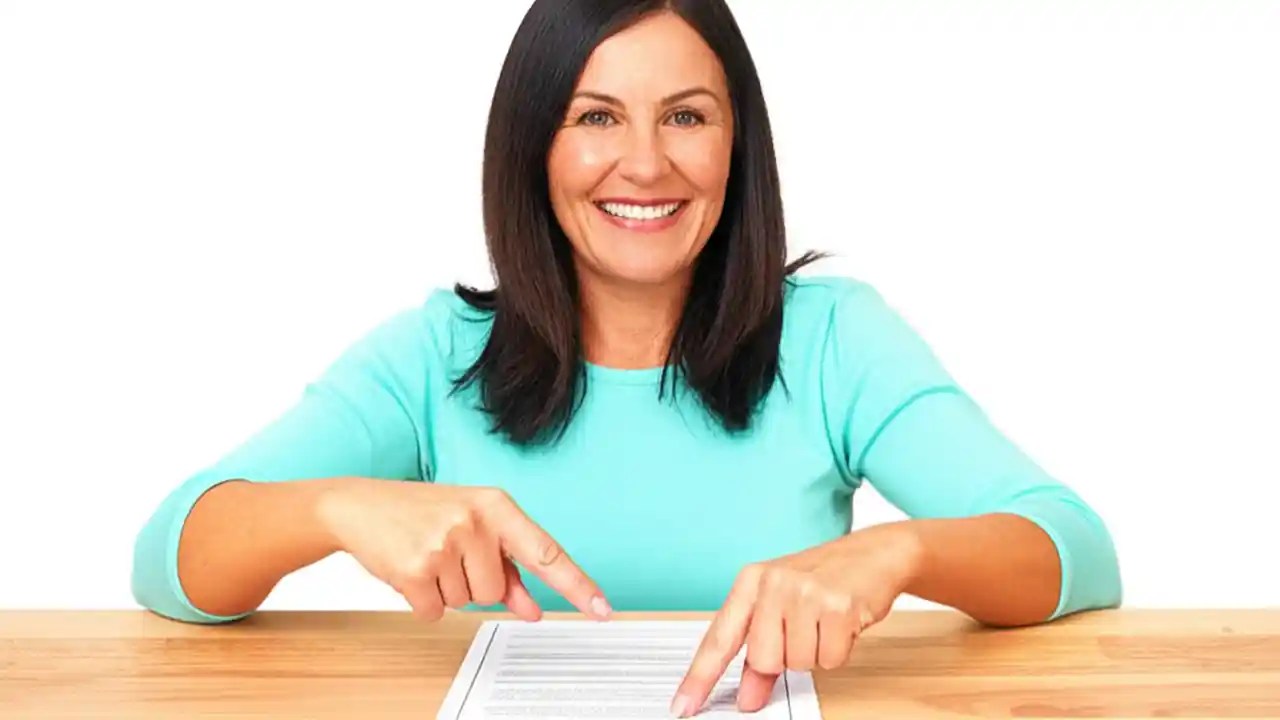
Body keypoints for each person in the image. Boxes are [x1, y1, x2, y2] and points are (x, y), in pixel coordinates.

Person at [131, 0, 1122, 715]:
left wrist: (899, 553)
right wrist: (334, 508)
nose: (644, 164)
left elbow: (1071, 550)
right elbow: (171, 556)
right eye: (594, 116)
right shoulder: (435, 355)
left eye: (685, 115)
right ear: (534, 146)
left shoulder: (832, 338)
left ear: (737, 146)